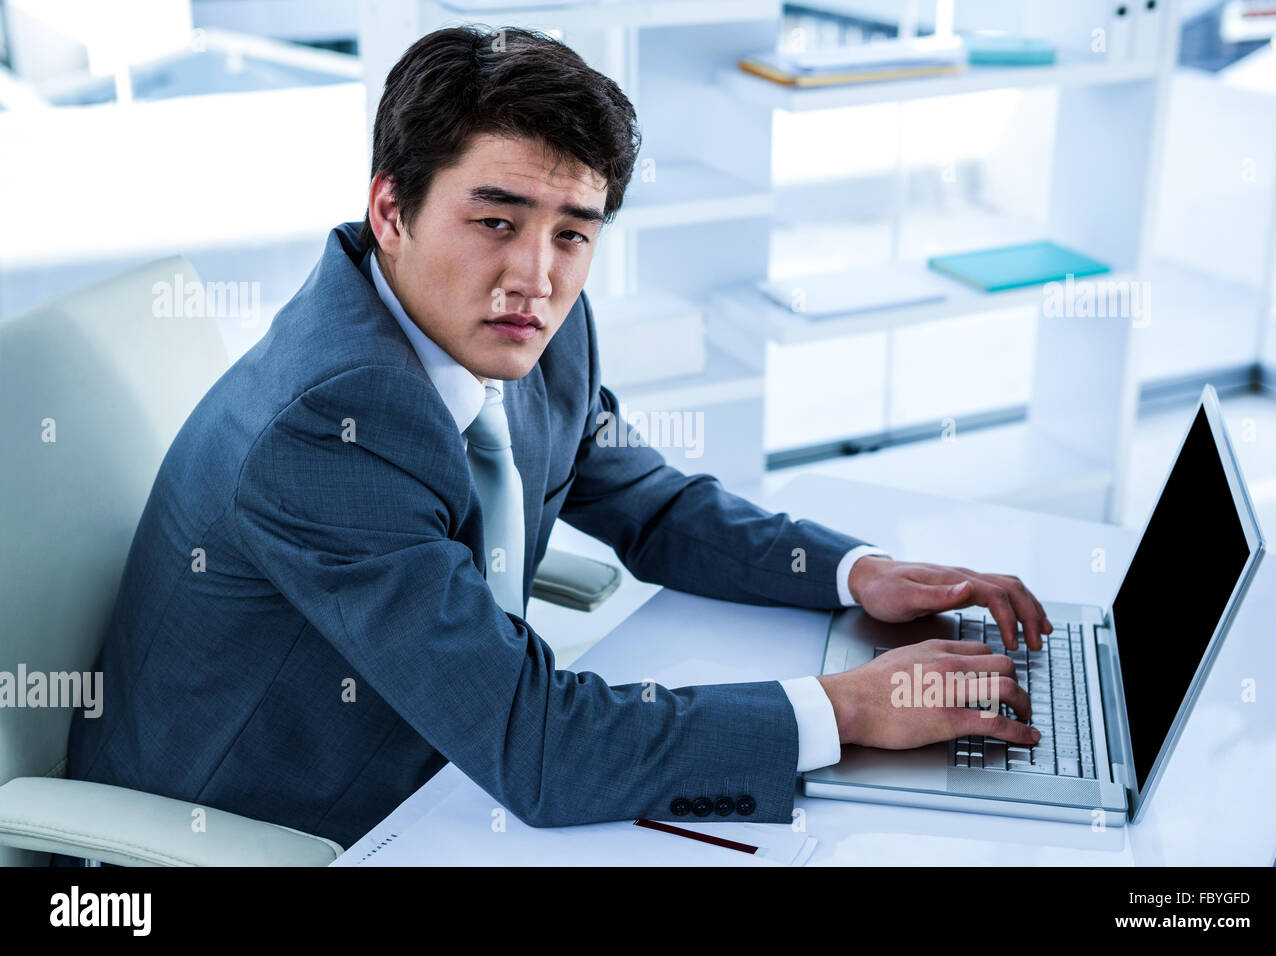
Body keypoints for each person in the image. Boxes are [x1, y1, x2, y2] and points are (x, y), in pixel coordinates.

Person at [65, 25, 1047, 853]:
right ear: (391, 210)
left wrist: (855, 572)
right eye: (495, 220)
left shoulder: (536, 328)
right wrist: (853, 709)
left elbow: (650, 503)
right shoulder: (328, 425)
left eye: (572, 232)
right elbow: (537, 749)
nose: (534, 275)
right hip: (275, 823)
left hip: (455, 743)